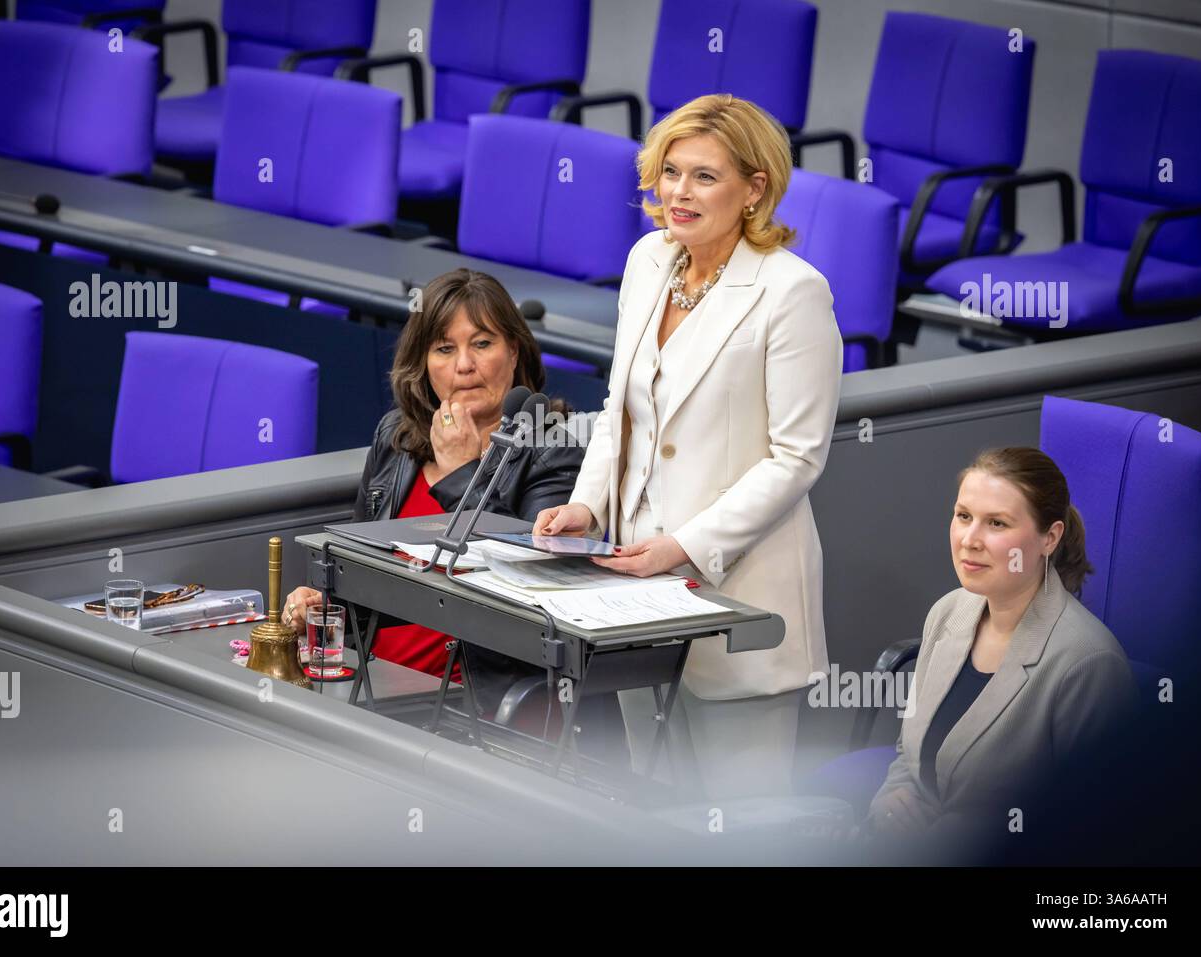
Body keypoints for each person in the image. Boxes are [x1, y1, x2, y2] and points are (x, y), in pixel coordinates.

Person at [533, 94, 844, 799]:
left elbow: (797, 459)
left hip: (739, 596)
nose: (678, 191)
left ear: (755, 187)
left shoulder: (793, 293)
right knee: (654, 818)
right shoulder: (649, 260)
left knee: (744, 829)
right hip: (636, 594)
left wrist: (684, 545)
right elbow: (621, 408)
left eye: (704, 176)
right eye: (670, 171)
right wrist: (585, 504)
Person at [283, 268, 583, 705]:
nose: (464, 365)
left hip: (469, 700)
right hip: (368, 681)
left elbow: (522, 595)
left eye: (482, 344)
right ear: (423, 363)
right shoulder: (396, 438)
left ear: (515, 351)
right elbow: (361, 573)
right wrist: (324, 604)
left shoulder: (553, 448)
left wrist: (463, 470)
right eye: (445, 348)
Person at [867, 447, 1137, 839]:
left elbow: (1094, 828)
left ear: (1050, 537)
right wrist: (891, 800)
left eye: (996, 523)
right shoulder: (948, 613)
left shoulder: (1088, 663)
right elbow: (909, 755)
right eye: (963, 517)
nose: (969, 540)